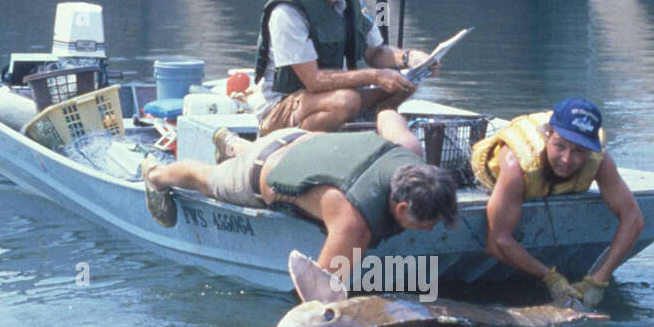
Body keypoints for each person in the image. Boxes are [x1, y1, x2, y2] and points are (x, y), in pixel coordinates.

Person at [143, 109, 457, 278]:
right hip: (258, 171)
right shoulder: (352, 224)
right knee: (208, 180)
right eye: (428, 222)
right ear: (400, 207)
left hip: (296, 141)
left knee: (259, 154)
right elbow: (316, 291)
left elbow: (388, 115)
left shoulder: (410, 151)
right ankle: (156, 176)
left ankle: (232, 144)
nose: (432, 228)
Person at [251, 0, 436, 135]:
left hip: (328, 96)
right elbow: (313, 81)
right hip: (281, 106)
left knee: (404, 85)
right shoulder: (288, 10)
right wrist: (375, 76)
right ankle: (298, 145)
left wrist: (409, 58)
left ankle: (374, 134)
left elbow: (375, 53)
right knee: (346, 101)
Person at [470, 98, 644, 309]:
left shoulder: (599, 160)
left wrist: (599, 279)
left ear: (590, 150)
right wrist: (550, 277)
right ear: (547, 135)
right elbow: (496, 241)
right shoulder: (515, 166)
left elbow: (633, 219)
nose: (567, 159)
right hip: (507, 182)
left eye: (579, 151)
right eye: (560, 146)